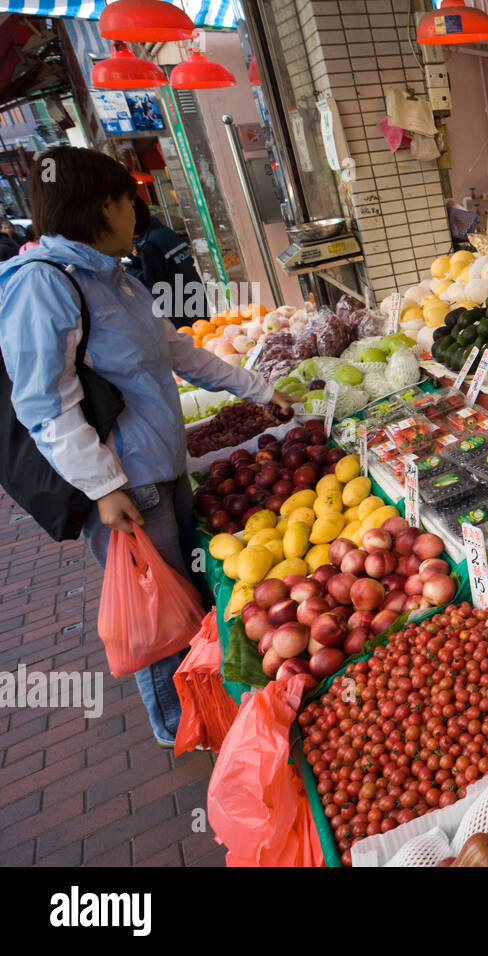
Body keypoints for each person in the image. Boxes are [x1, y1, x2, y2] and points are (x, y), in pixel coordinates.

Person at [0, 146, 296, 747]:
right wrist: (104, 488)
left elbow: (179, 352)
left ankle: (204, 702)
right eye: (129, 201)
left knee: (186, 597)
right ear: (100, 206)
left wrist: (258, 388)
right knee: (155, 613)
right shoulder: (45, 286)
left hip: (162, 469)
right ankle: (176, 723)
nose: (140, 212)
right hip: (125, 482)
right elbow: (43, 403)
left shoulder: (117, 278)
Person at [130, 196, 207, 329]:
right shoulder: (164, 232)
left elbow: (154, 281)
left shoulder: (149, 245)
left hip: (180, 308)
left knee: (195, 340)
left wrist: (130, 272)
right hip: (194, 293)